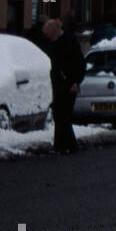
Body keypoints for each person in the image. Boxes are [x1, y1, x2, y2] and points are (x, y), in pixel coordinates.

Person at [38, 14, 86, 154]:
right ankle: (61, 145)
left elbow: (79, 64)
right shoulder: (51, 43)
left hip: (70, 84)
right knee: (59, 115)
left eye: (48, 34)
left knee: (64, 116)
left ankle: (70, 145)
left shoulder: (70, 42)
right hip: (58, 84)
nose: (47, 37)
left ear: (54, 31)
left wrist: (76, 82)